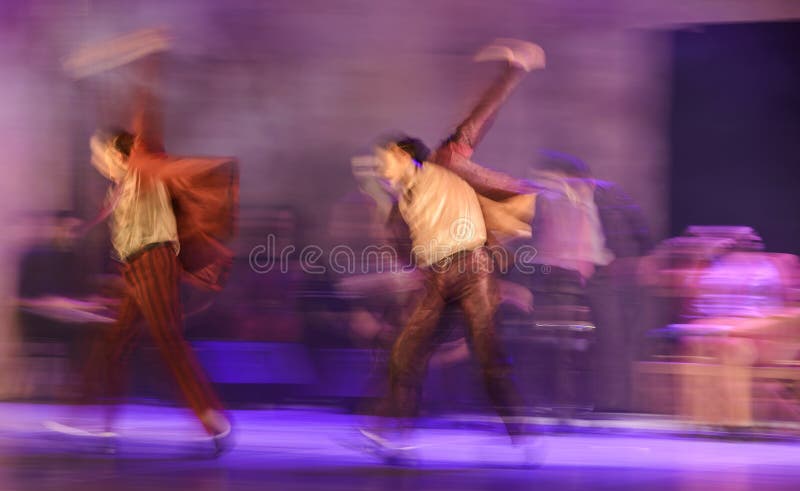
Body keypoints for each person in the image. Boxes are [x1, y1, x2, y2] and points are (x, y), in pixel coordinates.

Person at [48, 28, 238, 453]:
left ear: (118, 152)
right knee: (113, 341)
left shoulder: (143, 163)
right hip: (134, 269)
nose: (94, 160)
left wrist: (151, 56)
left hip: (154, 261)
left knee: (167, 339)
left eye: (97, 153)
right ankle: (101, 423)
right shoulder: (118, 190)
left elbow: (145, 111)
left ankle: (213, 421)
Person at [363, 38, 544, 461]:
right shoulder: (400, 205)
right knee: (405, 349)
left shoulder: (444, 161)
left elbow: (479, 119)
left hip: (472, 272)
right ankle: (394, 434)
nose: (380, 170)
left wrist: (514, 70)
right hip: (438, 280)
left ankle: (521, 434)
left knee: (487, 354)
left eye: (383, 160)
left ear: (402, 154)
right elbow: (405, 252)